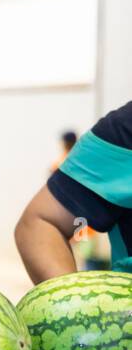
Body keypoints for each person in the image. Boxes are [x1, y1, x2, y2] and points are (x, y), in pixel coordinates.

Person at [15, 101, 132, 280]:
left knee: (88, 260)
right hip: (85, 225)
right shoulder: (121, 133)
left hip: (87, 225)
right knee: (87, 261)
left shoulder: (63, 160)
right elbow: (45, 217)